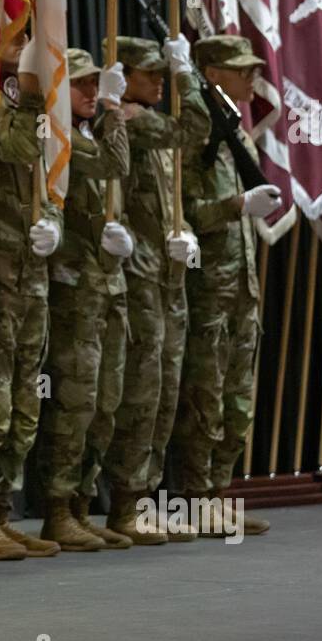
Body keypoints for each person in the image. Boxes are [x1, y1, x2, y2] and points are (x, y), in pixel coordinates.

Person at [0, 29, 64, 560]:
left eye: (28, 31)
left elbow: (48, 169)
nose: (23, 39)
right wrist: (27, 81)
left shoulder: (34, 99)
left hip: (31, 273)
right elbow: (18, 145)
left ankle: (2, 509)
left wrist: (55, 219)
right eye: (13, 30)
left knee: (25, 401)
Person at [169, 35, 280, 537]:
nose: (252, 77)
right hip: (208, 287)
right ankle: (193, 498)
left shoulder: (236, 130)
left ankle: (217, 490)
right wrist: (234, 208)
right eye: (241, 69)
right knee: (204, 396)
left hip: (241, 287)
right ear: (211, 74)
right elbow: (180, 213)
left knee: (237, 399)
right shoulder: (198, 135)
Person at [100, 34, 208, 544]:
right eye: (152, 74)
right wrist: (188, 74)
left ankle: (148, 497)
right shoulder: (129, 119)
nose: (160, 82)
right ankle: (126, 503)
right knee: (141, 392)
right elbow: (196, 127)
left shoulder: (147, 122)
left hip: (167, 273)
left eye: (165, 75)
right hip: (138, 272)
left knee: (165, 391)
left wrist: (182, 231)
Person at [36, 48, 135, 550]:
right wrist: (116, 110)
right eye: (82, 86)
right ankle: (57, 507)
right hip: (75, 290)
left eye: (97, 86)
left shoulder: (87, 133)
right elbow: (116, 163)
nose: (92, 95)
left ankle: (79, 503)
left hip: (106, 286)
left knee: (105, 402)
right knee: (74, 403)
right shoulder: (61, 139)